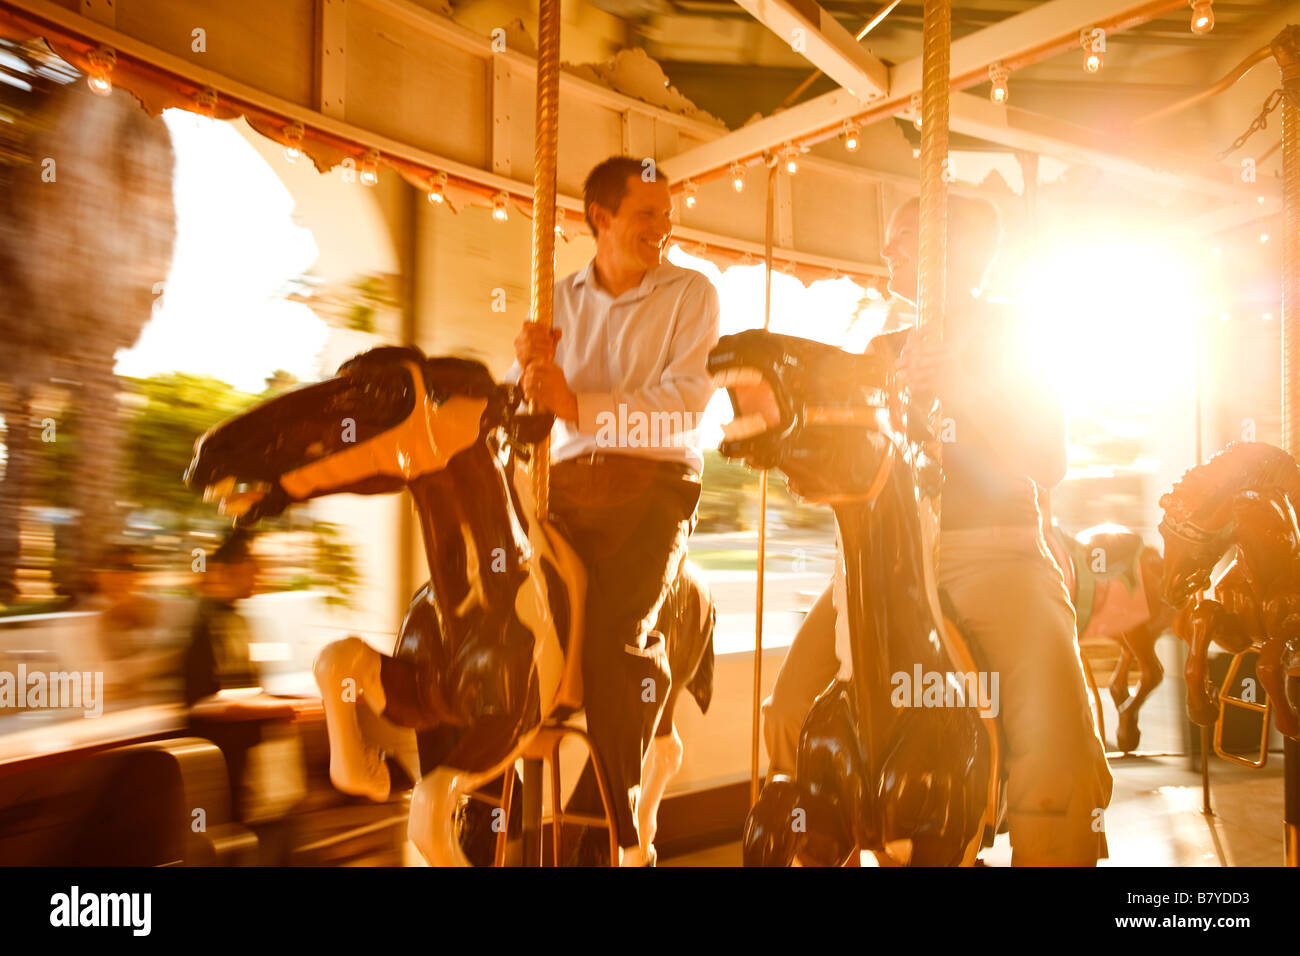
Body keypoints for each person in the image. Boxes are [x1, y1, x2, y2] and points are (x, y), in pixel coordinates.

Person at [760, 195, 1113, 866]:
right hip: (892, 558)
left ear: (953, 250)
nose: (888, 251)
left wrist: (963, 386)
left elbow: (1048, 461)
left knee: (1056, 749)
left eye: (904, 238)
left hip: (996, 553)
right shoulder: (882, 349)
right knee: (789, 711)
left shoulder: (1020, 335)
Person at [510, 155, 720, 866]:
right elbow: (530, 418)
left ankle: (620, 833)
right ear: (601, 218)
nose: (664, 227)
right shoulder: (556, 298)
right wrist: (525, 379)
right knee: (494, 607)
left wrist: (578, 407)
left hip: (654, 487)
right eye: (647, 214)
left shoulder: (691, 294)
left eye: (667, 213)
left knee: (614, 641)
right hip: (567, 488)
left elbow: (683, 410)